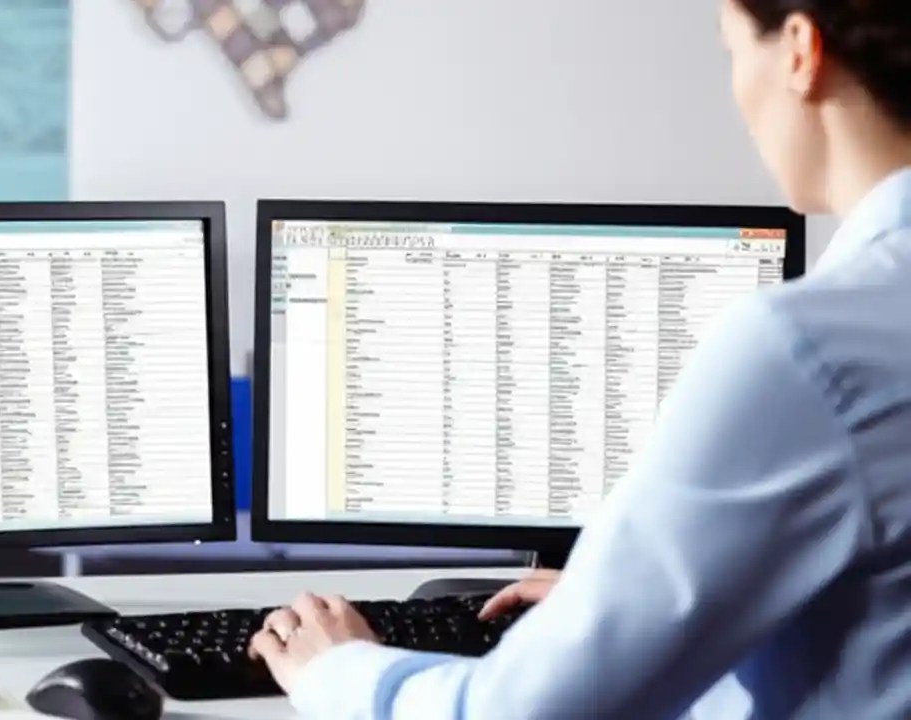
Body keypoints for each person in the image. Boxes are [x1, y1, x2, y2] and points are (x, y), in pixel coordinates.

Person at [250, 0, 911, 717]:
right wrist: (628, 610)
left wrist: (337, 668)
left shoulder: (805, 351)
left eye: (730, 51)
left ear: (797, 50)